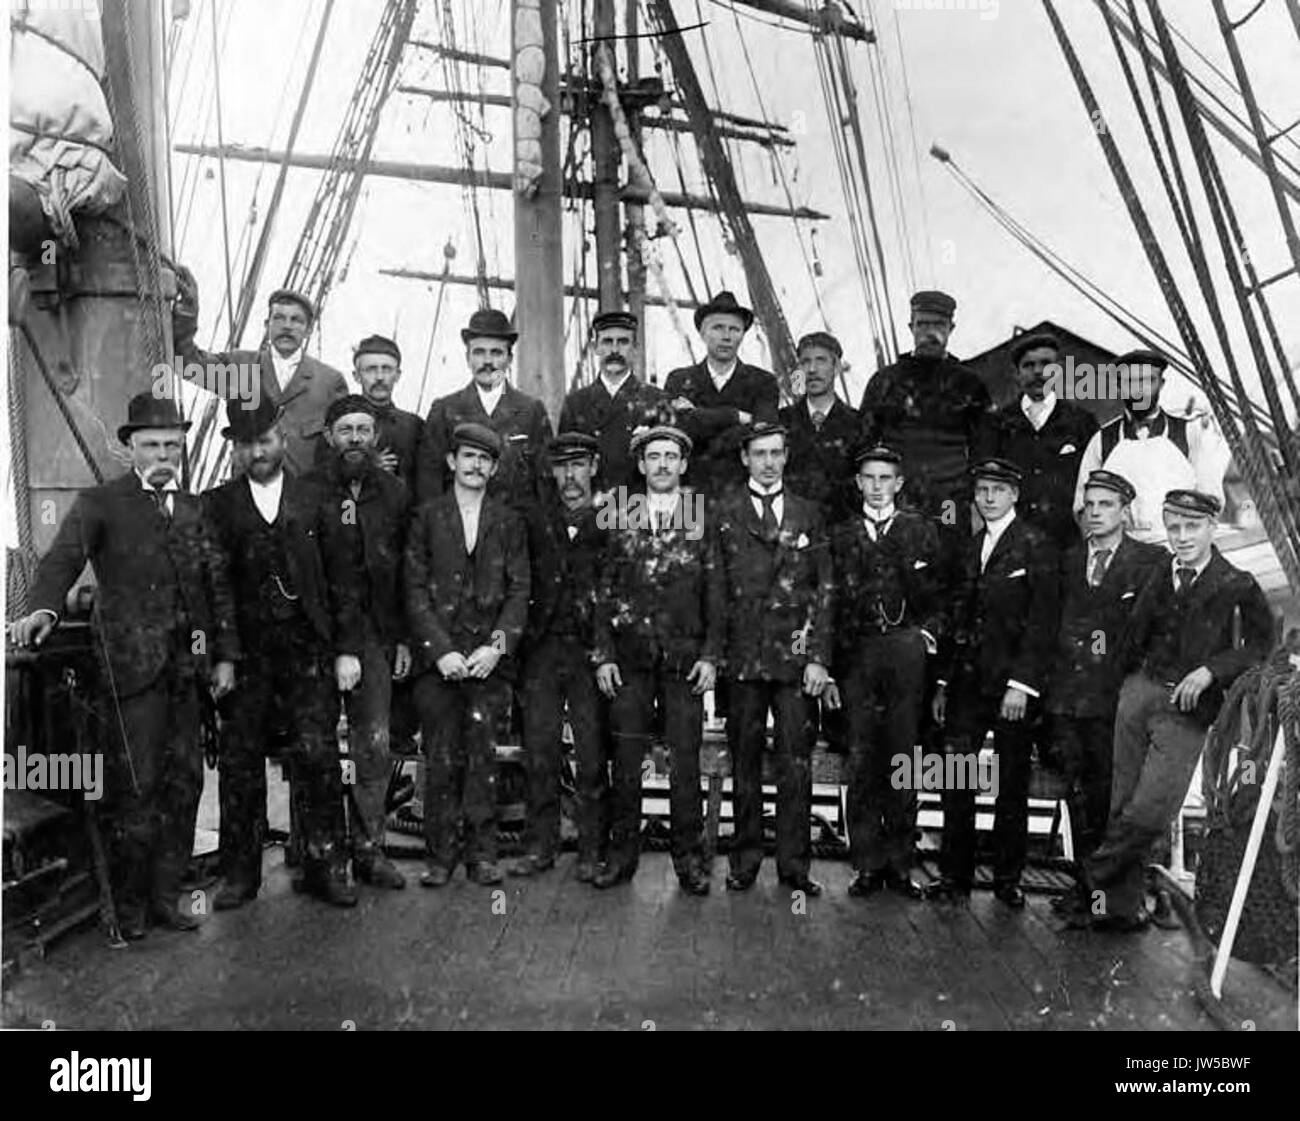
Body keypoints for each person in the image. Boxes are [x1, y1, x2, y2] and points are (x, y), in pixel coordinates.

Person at [9, 392, 239, 937]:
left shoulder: (197, 509)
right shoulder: (101, 503)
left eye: (172, 445)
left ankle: (166, 897)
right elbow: (61, 559)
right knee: (136, 788)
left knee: (186, 784)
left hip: (190, 672)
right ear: (129, 448)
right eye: (151, 444)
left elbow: (218, 588)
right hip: (129, 675)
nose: (163, 453)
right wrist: (41, 608)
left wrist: (225, 656)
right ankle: (131, 908)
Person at [1067, 489, 1274, 932]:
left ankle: (1089, 879)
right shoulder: (1158, 571)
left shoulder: (1237, 582)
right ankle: (1115, 911)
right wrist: (1123, 684)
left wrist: (1210, 671)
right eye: (1174, 527)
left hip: (1185, 710)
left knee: (1151, 811)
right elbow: (1127, 631)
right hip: (1138, 695)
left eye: (1191, 528)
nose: (1181, 537)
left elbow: (1261, 647)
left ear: (1211, 528)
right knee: (1121, 805)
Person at [204, 397, 355, 907]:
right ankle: (240, 874)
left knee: (318, 756)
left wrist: (345, 650)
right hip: (247, 655)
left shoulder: (318, 497)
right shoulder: (218, 505)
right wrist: (223, 655)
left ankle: (326, 866)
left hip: (308, 649)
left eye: (264, 441)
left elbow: (342, 577)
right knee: (240, 760)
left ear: (282, 440)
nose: (257, 452)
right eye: (246, 444)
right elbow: (216, 584)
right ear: (236, 450)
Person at [592, 425, 723, 894]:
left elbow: (717, 591)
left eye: (672, 457)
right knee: (625, 762)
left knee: (684, 763)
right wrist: (603, 654)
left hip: (683, 663)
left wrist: (711, 655)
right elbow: (602, 592)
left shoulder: (701, 516)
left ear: (684, 465)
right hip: (629, 661)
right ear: (642, 465)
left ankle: (687, 862)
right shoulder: (618, 515)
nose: (663, 464)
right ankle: (621, 858)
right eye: (655, 457)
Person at [928, 458, 1059, 908]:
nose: (988, 498)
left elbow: (1043, 624)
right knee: (956, 782)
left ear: (1015, 495)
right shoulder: (969, 547)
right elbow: (956, 621)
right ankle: (954, 877)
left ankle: (1007, 880)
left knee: (1010, 786)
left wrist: (1023, 686)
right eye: (982, 490)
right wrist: (944, 683)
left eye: (997, 491)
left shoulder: (1036, 546)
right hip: (966, 686)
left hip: (1011, 691)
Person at [406, 423, 530, 887]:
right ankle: (441, 856)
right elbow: (413, 589)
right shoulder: (426, 517)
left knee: (483, 756)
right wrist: (439, 651)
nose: (475, 466)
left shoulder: (508, 521)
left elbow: (520, 591)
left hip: (488, 662)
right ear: (451, 462)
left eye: (485, 459)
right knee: (440, 756)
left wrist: (496, 648)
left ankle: (482, 854)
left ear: (494, 468)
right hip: (439, 662)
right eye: (468, 457)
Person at [714, 421, 831, 894]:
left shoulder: (809, 513)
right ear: (744, 458)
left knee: (795, 763)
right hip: (743, 660)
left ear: (786, 457)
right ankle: (743, 861)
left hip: (796, 661)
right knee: (743, 761)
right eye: (759, 453)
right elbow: (716, 588)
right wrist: (717, 655)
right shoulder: (724, 511)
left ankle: (795, 867)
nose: (768, 462)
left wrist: (819, 657)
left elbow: (826, 589)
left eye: (776, 453)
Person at [303, 395, 411, 892]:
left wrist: (404, 638)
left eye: (363, 429)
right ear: (329, 437)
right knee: (316, 748)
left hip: (376, 638)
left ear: (376, 436)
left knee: (374, 746)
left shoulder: (394, 492)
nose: (354, 438)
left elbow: (409, 572)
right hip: (318, 638)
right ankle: (318, 855)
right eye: (344, 429)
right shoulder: (305, 493)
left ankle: (370, 850)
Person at [1044, 470, 1167, 889]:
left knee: (1119, 801)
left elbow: (1157, 633)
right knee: (1079, 800)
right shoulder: (1067, 561)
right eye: (1089, 506)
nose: (1095, 513)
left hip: (1118, 704)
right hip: (1070, 702)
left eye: (1106, 505)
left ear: (1125, 511)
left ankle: (1117, 899)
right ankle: (1086, 893)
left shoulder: (1151, 563)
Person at [830, 445, 941, 899]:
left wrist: (924, 637)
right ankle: (866, 865)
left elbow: (940, 594)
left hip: (905, 656)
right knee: (861, 760)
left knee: (902, 760)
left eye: (885, 479)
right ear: (858, 483)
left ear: (899, 484)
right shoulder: (840, 534)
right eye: (869, 478)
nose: (877, 487)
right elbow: (828, 601)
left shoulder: (922, 531)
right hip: (857, 655)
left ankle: (899, 863)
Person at [518, 432, 609, 880]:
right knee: (540, 748)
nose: (570, 476)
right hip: (542, 648)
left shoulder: (615, 516)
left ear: (594, 467)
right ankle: (541, 844)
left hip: (592, 651)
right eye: (561, 467)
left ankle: (592, 848)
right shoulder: (534, 517)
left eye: (579, 465)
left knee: (591, 754)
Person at [171, 276, 347, 475]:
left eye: (296, 320)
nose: (287, 326)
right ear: (267, 324)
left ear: (308, 330)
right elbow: (185, 364)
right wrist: (186, 313)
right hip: (247, 495)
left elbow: (343, 444)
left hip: (301, 499)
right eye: (279, 318)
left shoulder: (330, 382)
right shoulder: (241, 366)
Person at [858, 291, 995, 536]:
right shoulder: (886, 381)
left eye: (938, 324)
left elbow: (984, 449)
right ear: (911, 327)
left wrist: (976, 501)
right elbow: (863, 445)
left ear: (951, 328)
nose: (930, 332)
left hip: (950, 499)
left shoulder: (969, 384)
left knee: (950, 556)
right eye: (922, 324)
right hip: (899, 497)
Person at [1072, 349, 1226, 545]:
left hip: (1178, 552)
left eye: (1147, 381)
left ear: (1161, 384)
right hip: (1124, 557)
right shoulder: (1103, 440)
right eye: (1130, 382)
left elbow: (1211, 500)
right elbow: (1082, 508)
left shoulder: (1189, 434)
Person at [418, 308, 554, 512]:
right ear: (468, 358)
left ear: (509, 359)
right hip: (459, 533)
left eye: (496, 353)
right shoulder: (445, 410)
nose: (487, 362)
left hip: (517, 533)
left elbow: (546, 487)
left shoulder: (531, 411)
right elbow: (428, 487)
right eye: (479, 352)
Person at [661, 291, 779, 497]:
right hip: (688, 496)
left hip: (743, 499)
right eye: (718, 328)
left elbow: (762, 434)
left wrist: (698, 418)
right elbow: (675, 432)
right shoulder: (679, 380)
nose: (726, 336)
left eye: (734, 329)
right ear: (702, 333)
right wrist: (735, 417)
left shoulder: (763, 382)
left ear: (742, 334)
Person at [990, 331, 1098, 549]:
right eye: (1028, 366)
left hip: (1066, 544)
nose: (1038, 372)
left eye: (1046, 364)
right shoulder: (997, 424)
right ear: (1017, 374)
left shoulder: (1082, 423)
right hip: (1012, 545)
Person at [558, 310, 664, 494]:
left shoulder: (656, 400)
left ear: (636, 348)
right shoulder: (576, 404)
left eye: (623, 342)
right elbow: (566, 468)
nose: (615, 350)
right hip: (593, 508)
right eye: (607, 342)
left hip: (639, 510)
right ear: (595, 347)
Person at [315, 334, 423, 496]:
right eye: (371, 369)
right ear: (357, 376)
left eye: (386, 369)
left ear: (398, 375)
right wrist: (363, 466)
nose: (379, 377)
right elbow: (320, 477)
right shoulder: (336, 423)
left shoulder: (414, 426)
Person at [778, 330, 862, 524]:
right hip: (793, 529)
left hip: (843, 530)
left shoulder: (858, 423)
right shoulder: (782, 421)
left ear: (837, 367)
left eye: (821, 360)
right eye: (805, 362)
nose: (812, 369)